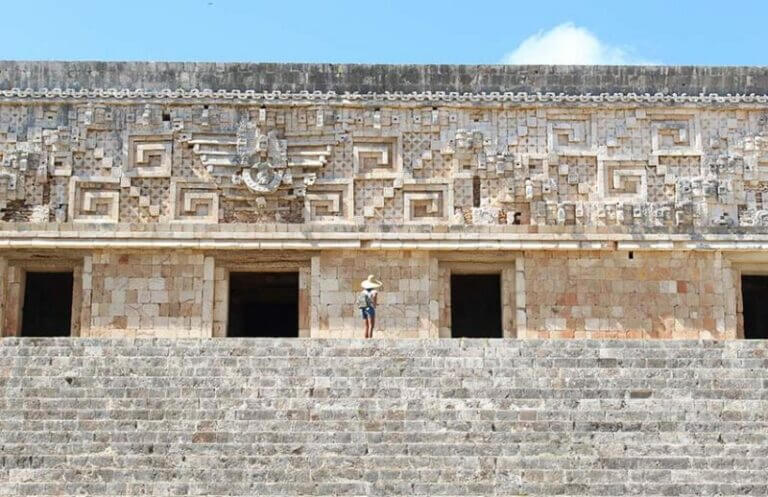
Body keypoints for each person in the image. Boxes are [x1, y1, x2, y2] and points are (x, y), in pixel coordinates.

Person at [356, 275, 382, 339]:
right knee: (371, 325)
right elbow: (374, 299)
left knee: (366, 326)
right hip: (370, 309)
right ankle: (370, 339)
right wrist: (375, 305)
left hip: (363, 309)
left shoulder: (363, 292)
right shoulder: (374, 292)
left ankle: (365, 339)